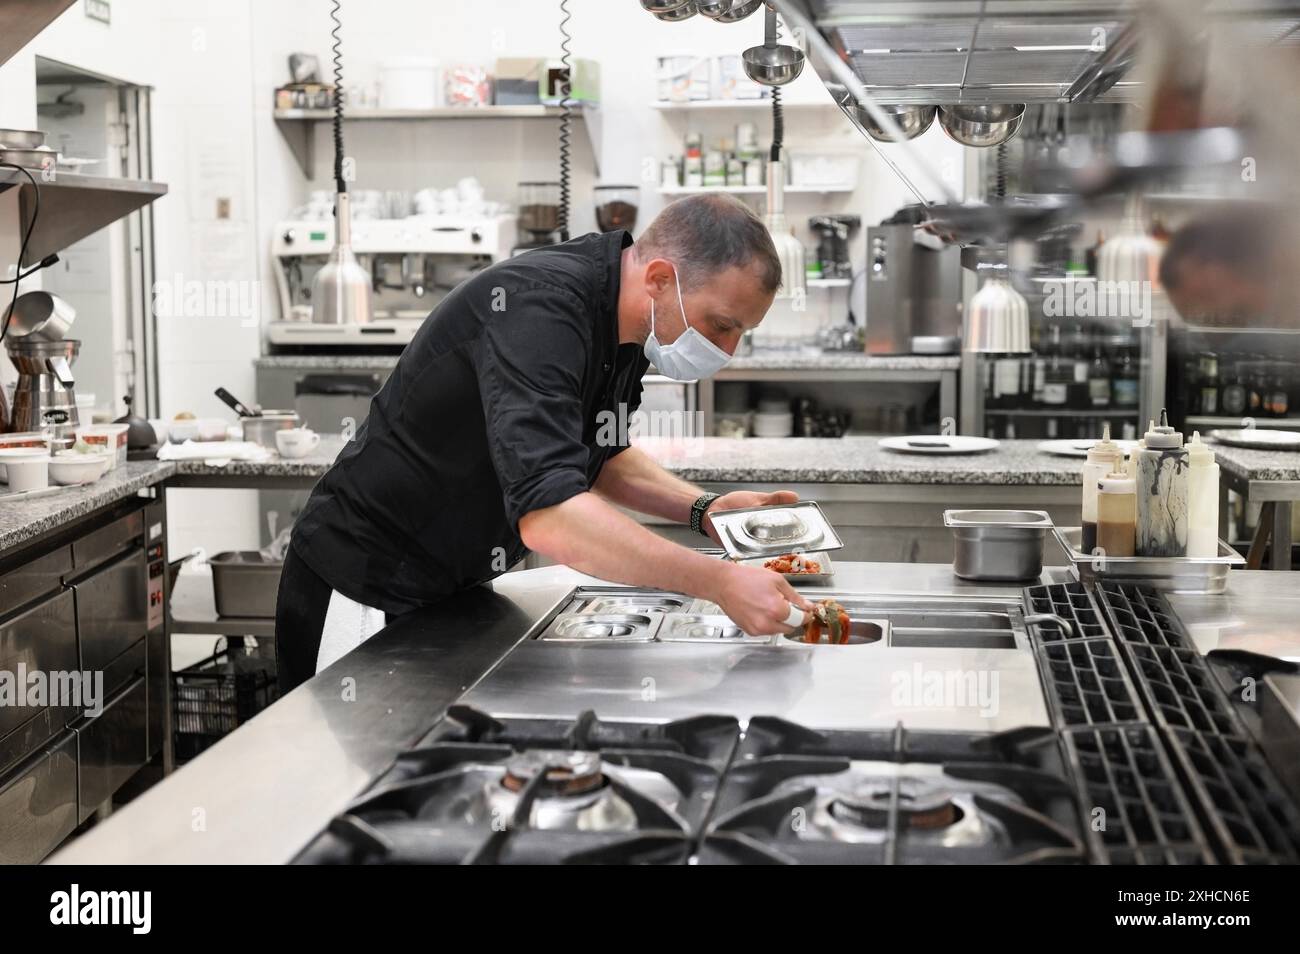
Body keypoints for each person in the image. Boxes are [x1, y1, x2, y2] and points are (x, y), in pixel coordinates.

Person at [274, 193, 813, 691]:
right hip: (364, 585)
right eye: (721, 325)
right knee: (357, 783)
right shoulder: (540, 310)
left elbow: (599, 455)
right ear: (657, 279)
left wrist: (705, 510)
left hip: (452, 585)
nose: (728, 349)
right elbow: (549, 514)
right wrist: (719, 581)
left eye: (740, 331)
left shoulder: (628, 328)